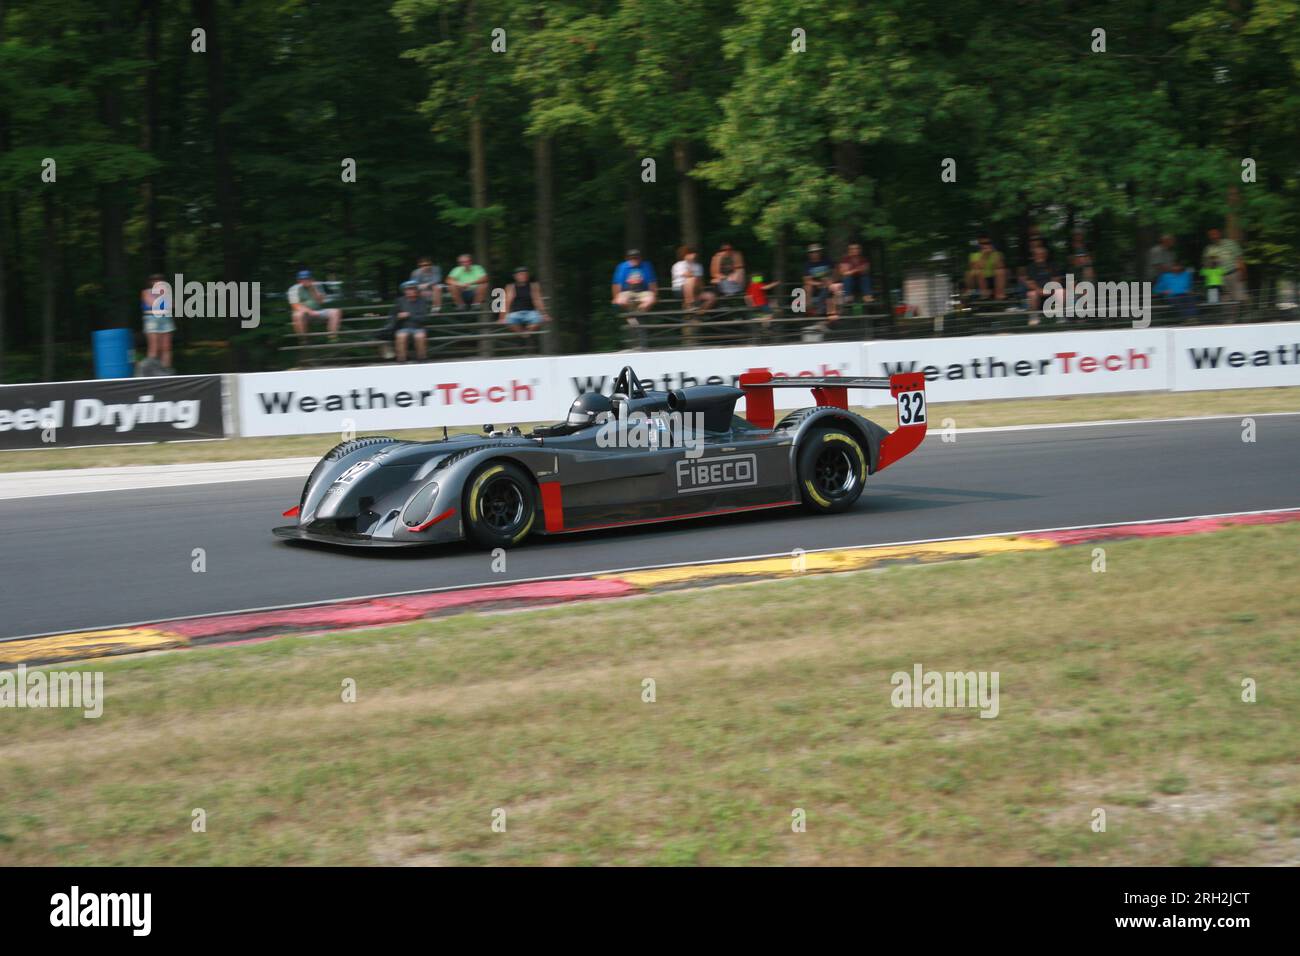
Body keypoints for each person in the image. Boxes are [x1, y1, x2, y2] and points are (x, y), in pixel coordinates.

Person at [287, 269, 342, 342]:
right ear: (299, 280)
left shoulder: (317, 286)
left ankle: (333, 337)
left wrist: (314, 290)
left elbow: (321, 302)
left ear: (311, 279)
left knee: (336, 311)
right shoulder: (294, 289)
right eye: (302, 279)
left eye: (307, 279)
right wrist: (310, 311)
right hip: (304, 314)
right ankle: (304, 340)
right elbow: (295, 306)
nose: (305, 281)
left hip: (318, 311)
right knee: (298, 315)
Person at [1202, 227, 1246, 305]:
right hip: (1220, 278)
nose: (1213, 236)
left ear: (1219, 234)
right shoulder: (1208, 249)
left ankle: (1241, 316)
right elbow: (1207, 267)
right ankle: (1230, 317)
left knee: (1239, 299)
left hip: (1234, 274)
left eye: (1215, 234)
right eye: (1211, 235)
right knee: (1226, 302)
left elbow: (1239, 259)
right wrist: (1211, 264)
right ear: (1209, 237)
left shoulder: (1230, 243)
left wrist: (1243, 272)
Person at [499, 266, 550, 333]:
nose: (523, 276)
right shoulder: (510, 287)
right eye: (521, 274)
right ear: (515, 276)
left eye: (525, 274)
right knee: (509, 321)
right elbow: (506, 302)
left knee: (540, 319)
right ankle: (522, 333)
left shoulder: (533, 286)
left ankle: (528, 331)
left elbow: (538, 300)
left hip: (530, 312)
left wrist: (544, 314)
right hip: (516, 313)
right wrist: (502, 317)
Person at [141, 274, 174, 373]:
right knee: (154, 347)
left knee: (166, 347)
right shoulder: (146, 292)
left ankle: (166, 370)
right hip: (152, 319)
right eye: (154, 280)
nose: (157, 282)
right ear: (151, 282)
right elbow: (152, 304)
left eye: (160, 280)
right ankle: (151, 371)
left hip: (166, 319)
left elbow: (173, 305)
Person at [389, 280, 429, 362]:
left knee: (420, 337)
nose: (410, 291)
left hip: (418, 327)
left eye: (412, 289)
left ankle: (422, 359)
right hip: (404, 327)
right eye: (407, 289)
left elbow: (424, 319)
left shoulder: (422, 301)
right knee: (401, 336)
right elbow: (393, 316)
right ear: (404, 291)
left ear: (416, 290)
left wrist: (409, 315)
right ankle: (401, 360)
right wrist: (398, 317)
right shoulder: (400, 301)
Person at [611, 249, 658, 319]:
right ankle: (634, 316)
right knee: (620, 301)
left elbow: (652, 282)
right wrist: (615, 297)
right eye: (632, 258)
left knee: (650, 300)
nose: (634, 259)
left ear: (640, 258)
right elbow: (616, 284)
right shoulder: (622, 267)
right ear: (627, 258)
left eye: (636, 258)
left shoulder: (646, 266)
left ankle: (635, 315)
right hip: (627, 292)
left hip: (643, 292)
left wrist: (654, 294)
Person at [802, 244, 839, 325]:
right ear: (809, 254)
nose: (815, 253)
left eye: (817, 252)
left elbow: (835, 270)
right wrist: (818, 283)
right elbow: (807, 280)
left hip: (827, 284)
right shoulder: (807, 265)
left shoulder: (827, 260)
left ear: (820, 252)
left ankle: (829, 314)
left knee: (833, 287)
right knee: (807, 287)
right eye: (812, 252)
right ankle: (809, 309)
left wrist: (831, 280)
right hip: (815, 286)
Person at [671, 246, 715, 311]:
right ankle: (690, 304)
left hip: (695, 290)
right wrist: (689, 264)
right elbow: (688, 275)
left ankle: (698, 313)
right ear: (684, 255)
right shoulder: (678, 265)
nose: (693, 255)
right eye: (690, 253)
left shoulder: (698, 266)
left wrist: (700, 289)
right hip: (679, 290)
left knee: (711, 297)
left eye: (693, 253)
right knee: (691, 279)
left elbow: (700, 281)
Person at [1024, 245, 1061, 322]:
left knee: (1061, 292)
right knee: (1031, 294)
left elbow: (1057, 280)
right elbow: (1029, 283)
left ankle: (1060, 317)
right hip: (1038, 293)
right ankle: (1034, 318)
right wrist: (1040, 291)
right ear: (1034, 256)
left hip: (1051, 292)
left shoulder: (1052, 265)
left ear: (1046, 255)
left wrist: (1049, 290)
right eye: (1037, 254)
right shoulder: (1031, 267)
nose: (1040, 255)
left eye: (1042, 253)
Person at [965, 234, 1007, 299]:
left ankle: (999, 294)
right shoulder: (974, 255)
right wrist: (984, 256)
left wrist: (994, 255)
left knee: (1000, 271)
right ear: (979, 244)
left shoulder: (997, 254)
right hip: (980, 280)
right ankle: (985, 295)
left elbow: (1001, 266)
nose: (986, 245)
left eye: (988, 243)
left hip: (994, 278)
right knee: (979, 272)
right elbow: (974, 268)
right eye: (983, 243)